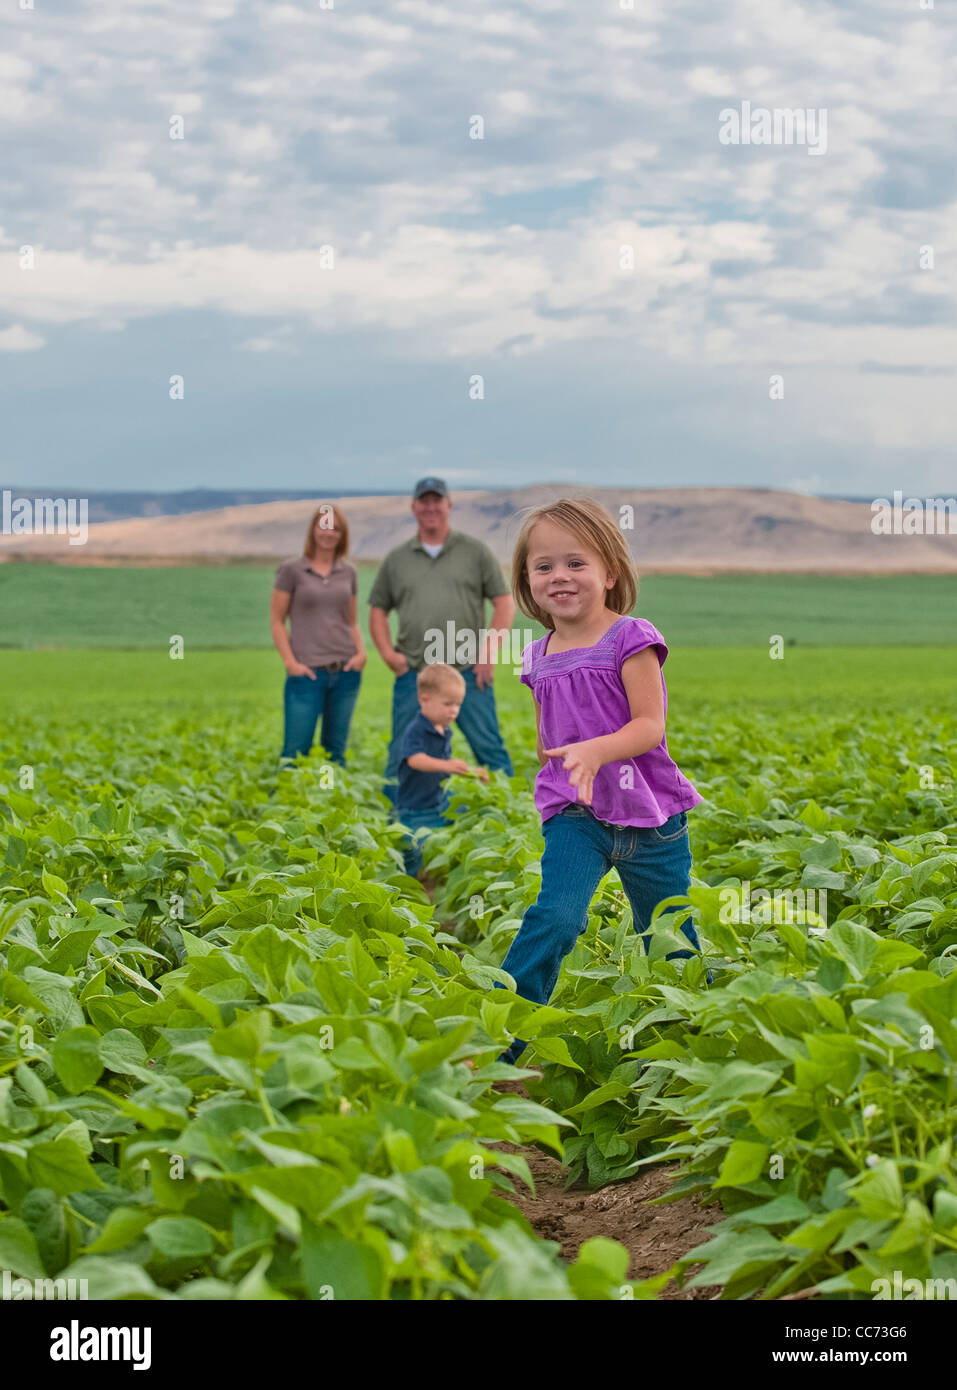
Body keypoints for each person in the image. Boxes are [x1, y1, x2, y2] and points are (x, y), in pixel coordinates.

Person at [495, 497, 711, 1066]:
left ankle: (688, 1055)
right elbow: (552, 738)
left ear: (609, 573)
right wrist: (566, 757)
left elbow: (648, 725)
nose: (559, 576)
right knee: (555, 918)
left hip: (651, 818)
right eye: (543, 567)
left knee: (670, 938)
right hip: (576, 815)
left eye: (575, 563)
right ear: (527, 581)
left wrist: (594, 749)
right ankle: (494, 1046)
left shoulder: (630, 638)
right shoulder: (537, 655)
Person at [369, 476, 515, 804]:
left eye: (438, 501)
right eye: (425, 501)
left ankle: (510, 809)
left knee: (489, 746)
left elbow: (504, 602)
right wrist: (389, 655)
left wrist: (488, 654)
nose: (431, 507)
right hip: (416, 676)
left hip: (467, 672)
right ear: (414, 507)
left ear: (448, 505)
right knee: (401, 751)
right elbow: (377, 610)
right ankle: (398, 823)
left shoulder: (475, 552)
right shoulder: (397, 559)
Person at [270, 502, 366, 766]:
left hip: (346, 672)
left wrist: (361, 654)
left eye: (335, 528)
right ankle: (292, 805)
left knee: (334, 753)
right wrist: (291, 663)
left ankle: (329, 803)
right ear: (313, 530)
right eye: (324, 526)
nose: (329, 533)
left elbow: (352, 621)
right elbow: (278, 621)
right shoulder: (292, 570)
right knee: (295, 752)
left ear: (342, 534)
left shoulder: (349, 572)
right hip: (307, 673)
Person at [395, 663, 489, 877]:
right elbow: (415, 760)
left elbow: (446, 768)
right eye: (448, 704)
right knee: (413, 851)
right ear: (424, 699)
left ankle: (449, 872)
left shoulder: (443, 730)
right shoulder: (417, 729)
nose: (454, 710)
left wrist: (471, 772)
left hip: (439, 801)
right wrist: (448, 766)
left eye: (458, 704)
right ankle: (407, 890)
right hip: (416, 808)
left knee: (468, 816)